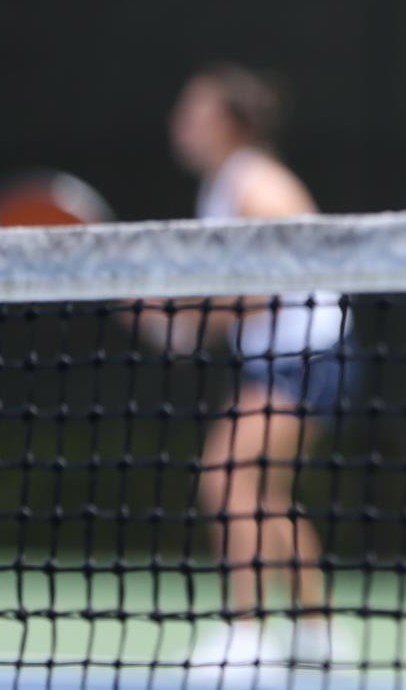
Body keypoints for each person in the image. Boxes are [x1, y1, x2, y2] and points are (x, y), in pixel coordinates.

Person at [133, 65, 353, 677]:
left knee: (226, 478)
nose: (181, 125)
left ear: (229, 125)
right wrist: (181, 316)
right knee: (262, 492)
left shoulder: (258, 186)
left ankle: (247, 633)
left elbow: (262, 288)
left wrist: (183, 318)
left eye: (193, 113)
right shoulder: (224, 185)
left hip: (307, 356)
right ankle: (318, 632)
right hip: (289, 356)